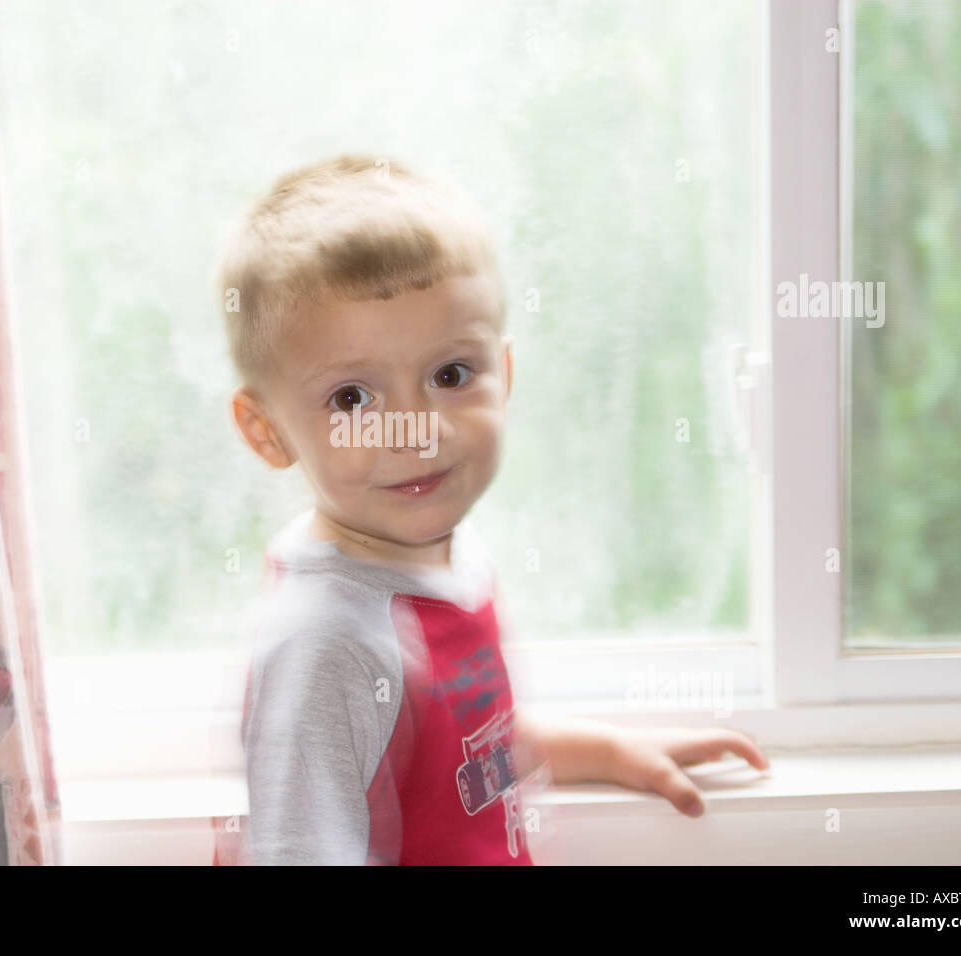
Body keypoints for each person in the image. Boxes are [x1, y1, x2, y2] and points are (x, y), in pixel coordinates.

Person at [211, 154, 769, 865]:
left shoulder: (446, 557)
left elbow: (457, 752)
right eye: (352, 397)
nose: (415, 429)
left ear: (502, 375)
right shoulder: (325, 644)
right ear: (267, 431)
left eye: (450, 375)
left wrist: (605, 751)